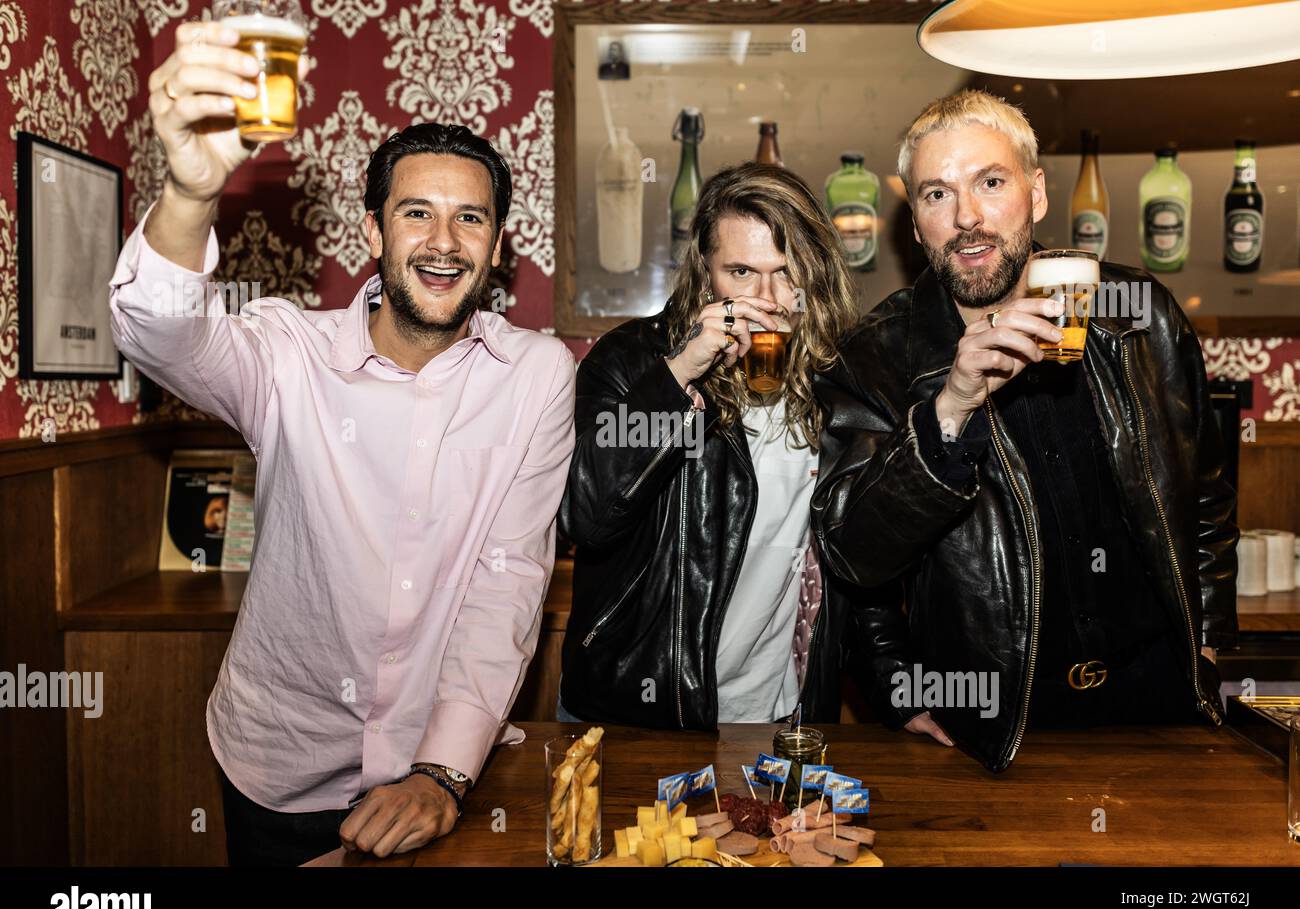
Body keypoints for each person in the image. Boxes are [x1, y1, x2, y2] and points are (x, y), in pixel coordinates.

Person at [109, 21, 575, 864]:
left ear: (499, 247)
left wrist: (442, 773)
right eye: (416, 215)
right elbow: (158, 336)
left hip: (440, 768)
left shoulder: (537, 376)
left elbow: (508, 582)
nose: (443, 243)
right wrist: (188, 195)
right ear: (372, 233)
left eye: (470, 219)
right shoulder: (287, 352)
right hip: (277, 764)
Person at [811, 90, 1237, 772]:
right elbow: (854, 555)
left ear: (1036, 195)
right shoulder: (873, 358)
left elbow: (1207, 501)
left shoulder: (1141, 316)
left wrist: (1208, 643)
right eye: (937, 195)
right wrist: (950, 407)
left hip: (1157, 701)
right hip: (992, 721)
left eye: (990, 182)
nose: (968, 218)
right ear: (914, 224)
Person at [558, 162, 863, 728]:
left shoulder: (841, 381)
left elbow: (864, 555)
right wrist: (677, 376)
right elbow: (588, 519)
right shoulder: (631, 361)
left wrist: (900, 685)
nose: (769, 298)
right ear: (705, 274)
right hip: (640, 710)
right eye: (742, 271)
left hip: (777, 713)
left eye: (786, 271)